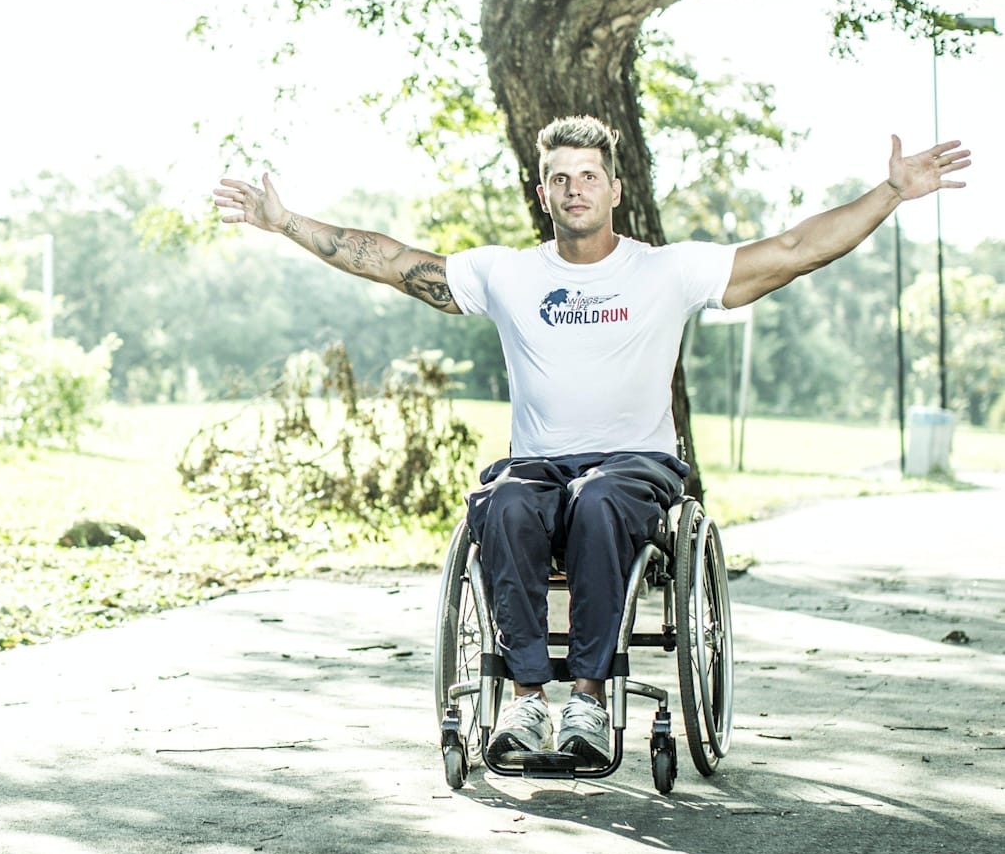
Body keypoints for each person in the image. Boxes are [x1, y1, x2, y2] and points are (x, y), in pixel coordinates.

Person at [213, 115, 969, 767]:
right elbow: (392, 261)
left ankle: (587, 700)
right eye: (558, 178)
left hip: (634, 469)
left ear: (614, 190)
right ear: (542, 195)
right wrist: (286, 223)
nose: (574, 188)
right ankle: (524, 700)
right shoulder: (508, 273)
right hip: (538, 466)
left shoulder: (665, 271)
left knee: (603, 502)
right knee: (501, 502)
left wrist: (893, 192)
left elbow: (795, 248)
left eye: (587, 175)